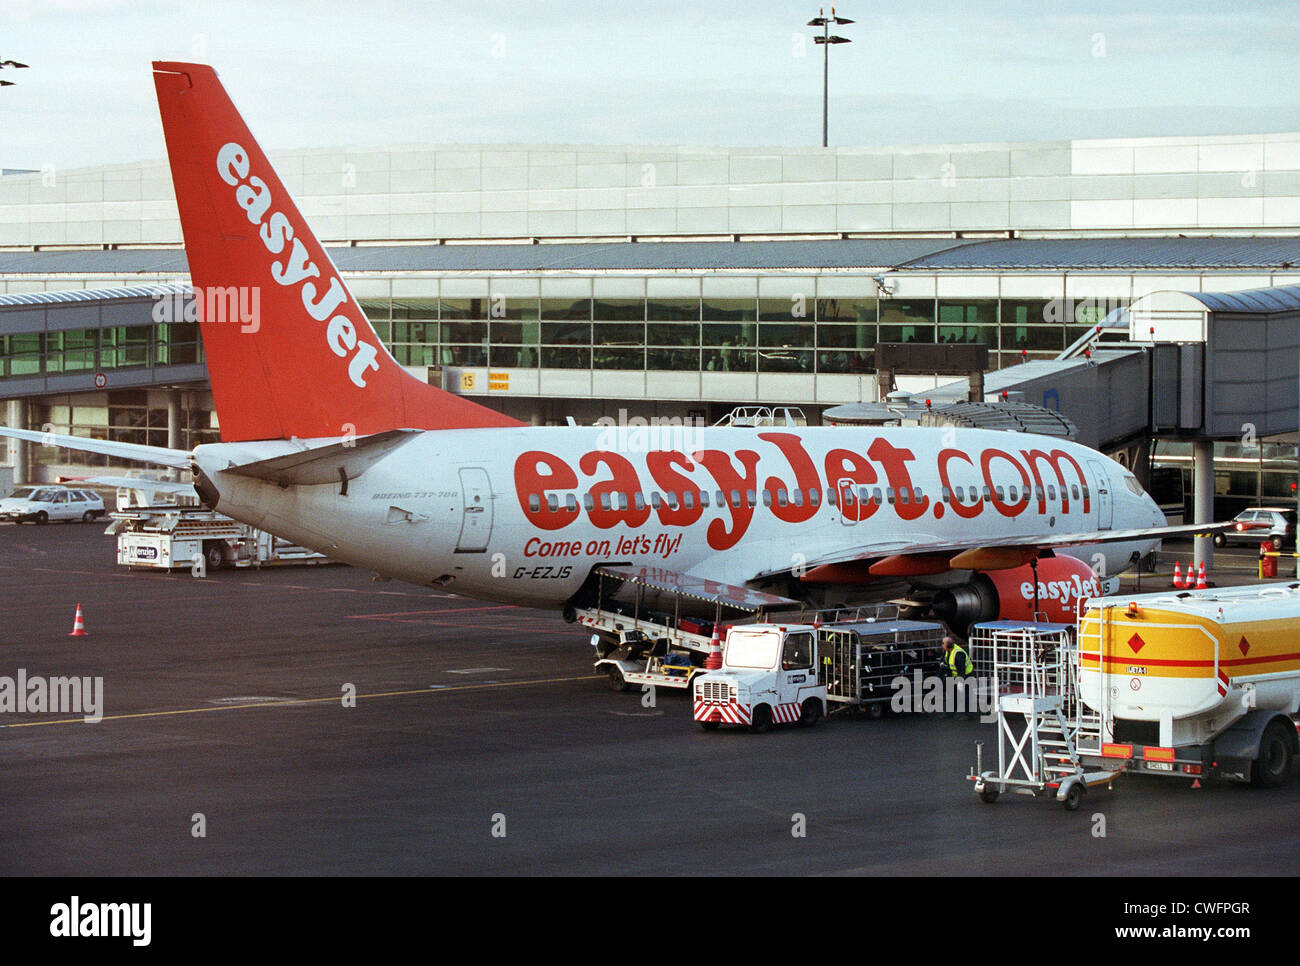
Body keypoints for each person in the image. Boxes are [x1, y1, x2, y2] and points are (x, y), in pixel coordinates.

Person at [942, 636, 977, 719]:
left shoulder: (958, 654)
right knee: (952, 695)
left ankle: (969, 715)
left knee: (965, 695)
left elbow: (961, 669)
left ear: (946, 646)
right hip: (956, 676)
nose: (942, 646)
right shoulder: (949, 651)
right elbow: (947, 661)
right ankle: (949, 714)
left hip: (965, 676)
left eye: (942, 644)